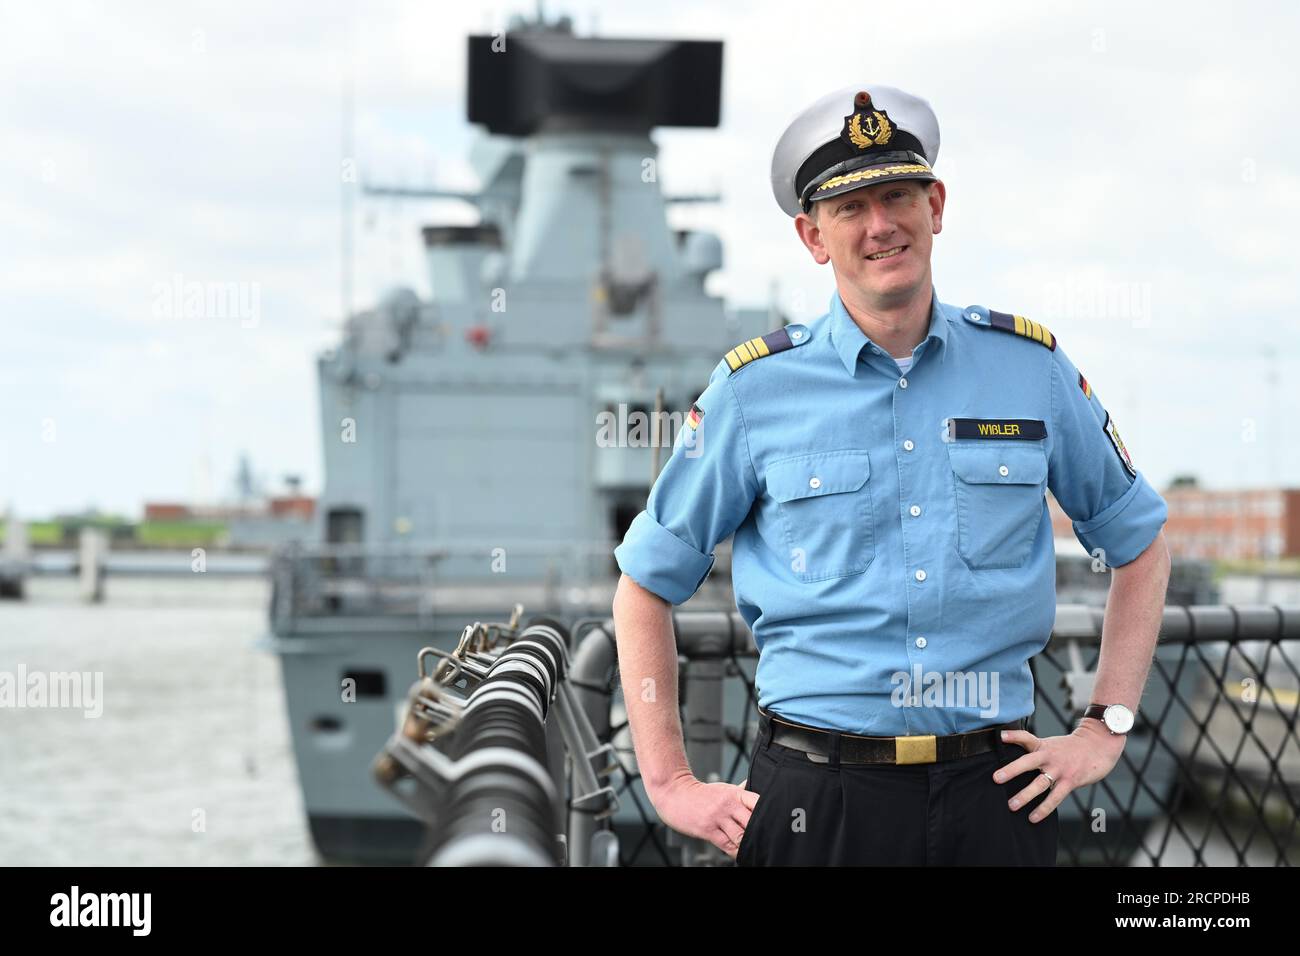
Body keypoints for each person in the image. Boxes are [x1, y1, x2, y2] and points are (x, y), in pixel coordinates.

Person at [610, 85, 1171, 865]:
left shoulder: (1030, 370)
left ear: (934, 206)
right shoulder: (752, 391)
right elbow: (645, 584)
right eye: (850, 208)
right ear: (813, 236)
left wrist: (1103, 727)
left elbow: (1139, 544)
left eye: (897, 195)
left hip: (997, 797)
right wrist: (669, 782)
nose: (881, 225)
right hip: (817, 803)